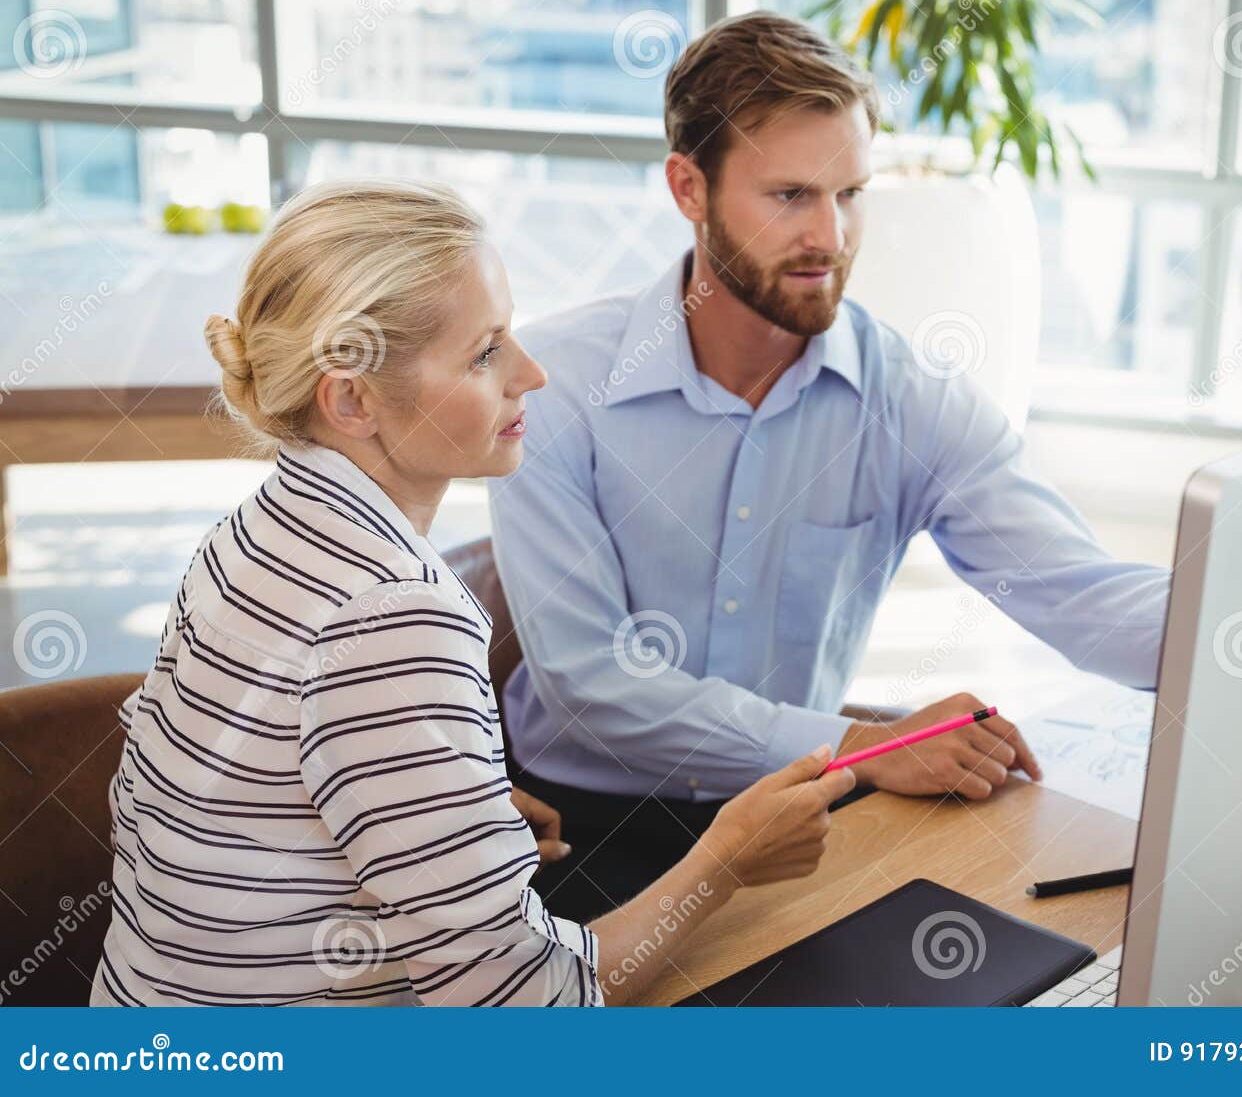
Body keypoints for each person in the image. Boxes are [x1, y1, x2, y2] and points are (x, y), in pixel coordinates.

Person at [90, 179, 855, 1007]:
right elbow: (527, 1007)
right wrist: (726, 859)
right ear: (352, 398)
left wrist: (436, 809)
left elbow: (215, 802)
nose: (531, 371)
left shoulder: (247, 535)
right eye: (484, 352)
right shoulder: (397, 613)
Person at [488, 11, 1173, 923]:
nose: (832, 236)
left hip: (801, 817)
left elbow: (1079, 591)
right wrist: (860, 744)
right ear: (688, 187)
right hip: (588, 831)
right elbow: (592, 690)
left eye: (850, 194)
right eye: (790, 196)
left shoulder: (903, 395)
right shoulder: (558, 383)